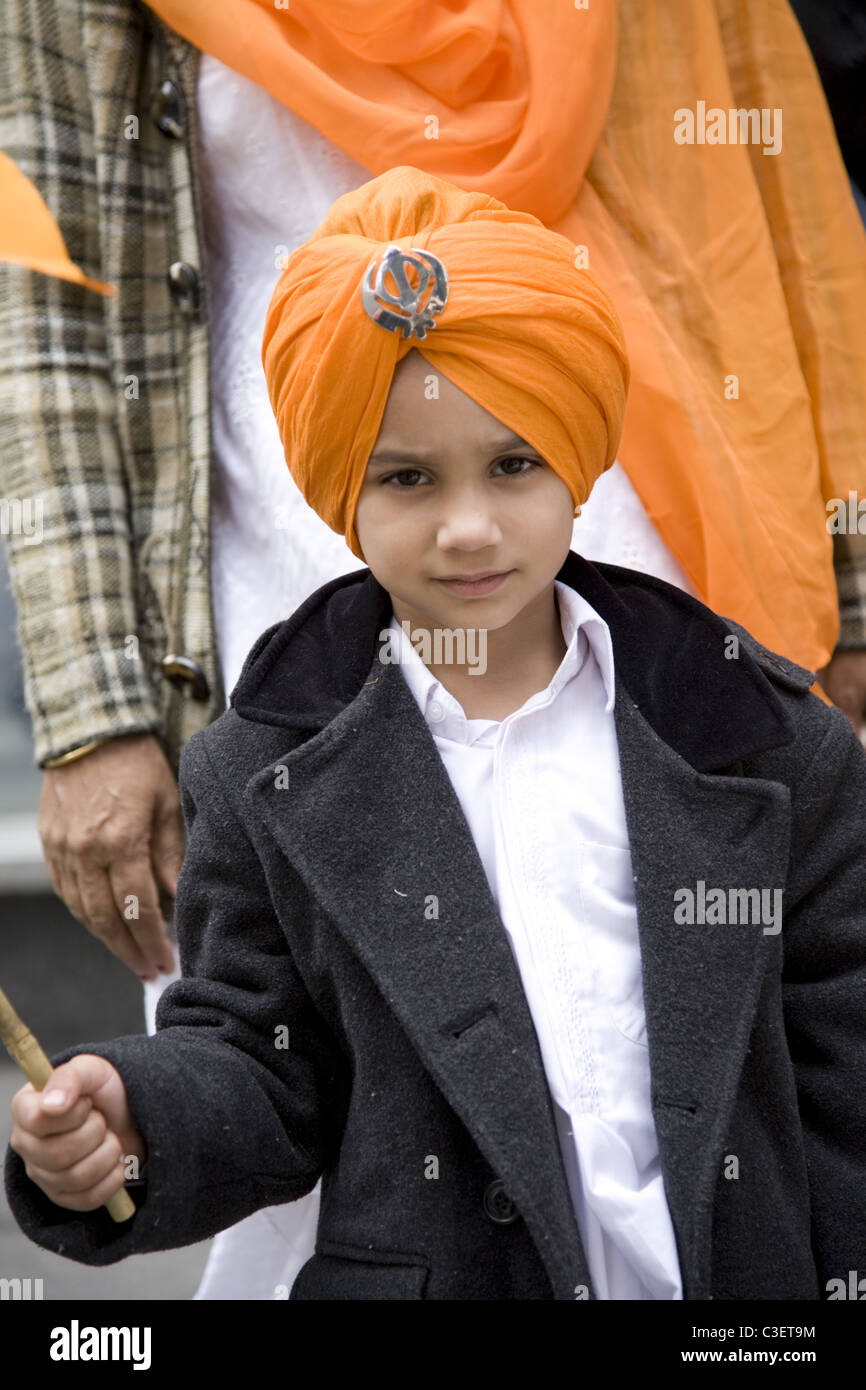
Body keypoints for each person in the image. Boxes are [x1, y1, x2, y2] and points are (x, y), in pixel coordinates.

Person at [2, 0, 865, 1299]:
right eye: (406, 479)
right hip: (251, 576)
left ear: (573, 459)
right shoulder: (268, 766)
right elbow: (261, 1049)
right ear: (346, 486)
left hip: (679, 524)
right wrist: (134, 1112)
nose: (465, 524)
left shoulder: (757, 740)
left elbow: (833, 1068)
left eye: (512, 465)